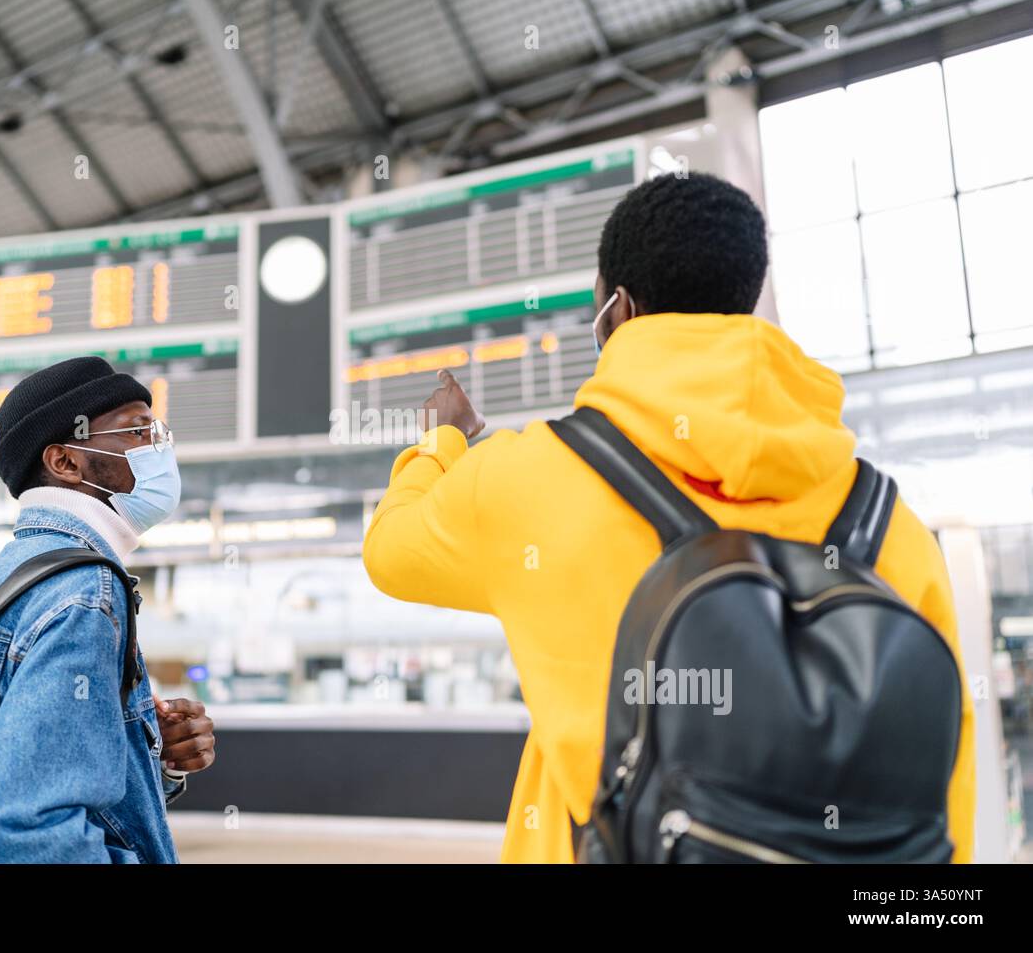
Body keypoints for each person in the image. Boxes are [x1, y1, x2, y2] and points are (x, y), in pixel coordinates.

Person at [361, 172, 976, 863]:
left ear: (616, 310)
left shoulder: (529, 478)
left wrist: (439, 442)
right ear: (745, 301)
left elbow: (391, 550)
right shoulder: (890, 524)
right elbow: (944, 783)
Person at [0, 355, 215, 863]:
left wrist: (157, 761)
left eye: (157, 431)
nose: (159, 447)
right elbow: (22, 837)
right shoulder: (83, 593)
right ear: (65, 463)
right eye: (136, 432)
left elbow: (5, 773)